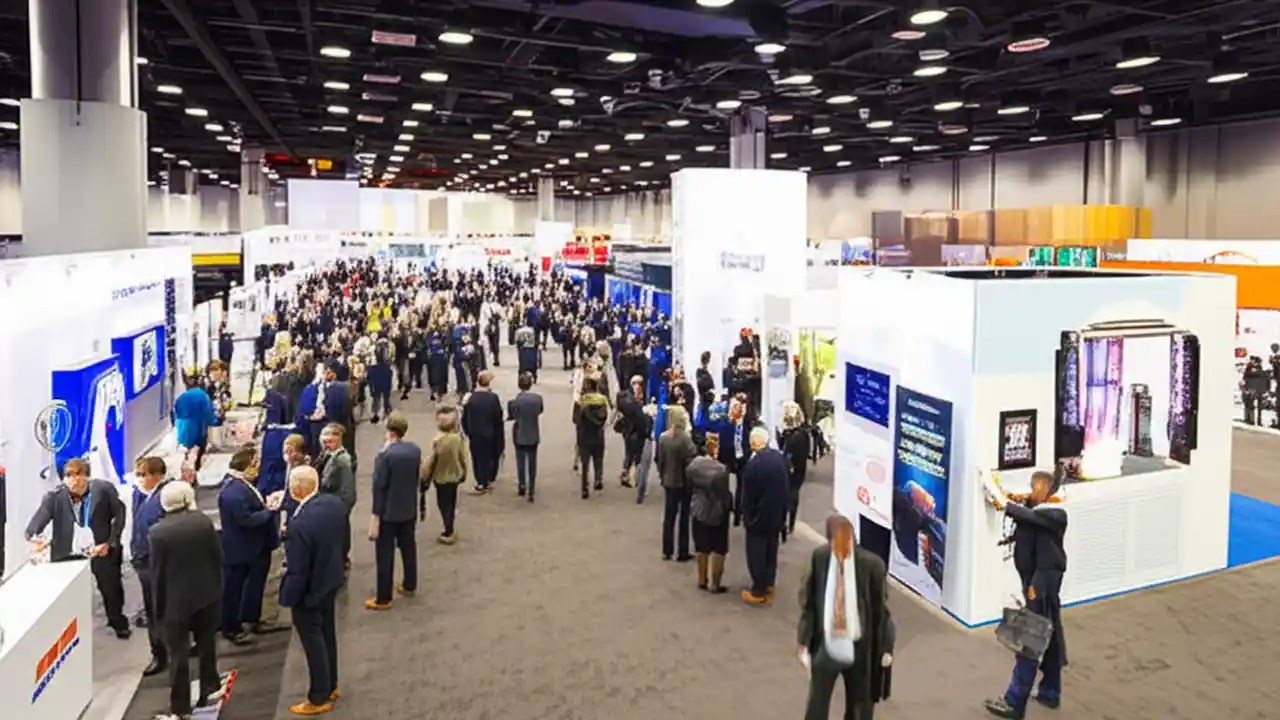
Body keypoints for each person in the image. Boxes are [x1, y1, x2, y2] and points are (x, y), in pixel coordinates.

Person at [983, 470, 1069, 719]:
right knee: (1050, 635)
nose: (1031, 491)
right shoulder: (1039, 508)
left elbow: (1028, 516)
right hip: (1040, 583)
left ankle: (1014, 701)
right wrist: (1008, 497)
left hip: (1041, 585)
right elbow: (1027, 511)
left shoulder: (1056, 512)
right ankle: (1050, 692)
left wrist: (1004, 502)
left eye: (1034, 487)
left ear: (1045, 487)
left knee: (1031, 639)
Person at [798, 514, 896, 720]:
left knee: (860, 706)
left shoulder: (872, 565)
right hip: (827, 644)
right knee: (817, 703)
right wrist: (804, 641)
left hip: (859, 646)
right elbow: (810, 603)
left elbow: (882, 611)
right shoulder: (820, 558)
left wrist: (886, 648)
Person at [25, 458, 131, 638]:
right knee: (68, 595)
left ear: (86, 477)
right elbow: (35, 526)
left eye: (78, 475)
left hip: (100, 548)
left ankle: (118, 622)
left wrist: (110, 542)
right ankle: (69, 630)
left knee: (110, 588)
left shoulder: (103, 490)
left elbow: (119, 516)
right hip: (69, 553)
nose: (74, 480)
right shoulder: (54, 498)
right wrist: (36, 539)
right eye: (69, 476)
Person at [149, 481, 225, 720]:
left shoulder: (158, 533)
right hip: (207, 596)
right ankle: (209, 686)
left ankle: (180, 707)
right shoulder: (203, 522)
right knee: (207, 645)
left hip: (175, 604)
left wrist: (157, 611)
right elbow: (217, 557)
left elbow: (157, 576)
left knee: (178, 656)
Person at [279, 465, 347, 716]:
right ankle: (331, 685)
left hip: (310, 591)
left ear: (295, 490)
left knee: (313, 642)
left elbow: (298, 570)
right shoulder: (334, 505)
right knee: (327, 634)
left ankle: (319, 695)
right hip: (330, 580)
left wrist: (288, 598)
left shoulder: (298, 526)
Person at [217, 446, 280, 645]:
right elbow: (246, 520)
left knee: (255, 586)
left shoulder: (243, 485)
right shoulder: (233, 492)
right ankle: (231, 627)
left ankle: (252, 618)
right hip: (242, 550)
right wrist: (270, 510)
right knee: (234, 590)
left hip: (255, 547)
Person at [367, 412, 423, 609]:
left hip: (388, 511)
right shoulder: (414, 450)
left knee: (385, 553)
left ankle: (384, 597)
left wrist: (376, 515)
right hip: (408, 508)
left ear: (389, 432)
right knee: (408, 547)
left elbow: (379, 487)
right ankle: (409, 583)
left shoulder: (385, 456)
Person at [131, 456, 172, 674]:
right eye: (138, 474)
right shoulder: (139, 495)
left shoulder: (164, 499)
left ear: (157, 476)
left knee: (160, 611)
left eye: (143, 475)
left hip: (157, 565)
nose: (139, 479)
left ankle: (163, 653)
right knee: (152, 609)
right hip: (143, 562)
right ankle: (159, 651)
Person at [740, 426, 789, 606]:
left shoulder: (753, 465)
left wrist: (748, 517)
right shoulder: (778, 458)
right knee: (771, 550)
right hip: (776, 516)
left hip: (758, 519)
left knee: (756, 553)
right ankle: (769, 583)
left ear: (753, 443)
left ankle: (758, 590)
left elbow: (748, 496)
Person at [688, 434, 733, 593]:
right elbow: (724, 494)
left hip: (699, 508)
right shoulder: (721, 469)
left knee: (702, 546)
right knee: (719, 548)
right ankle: (715, 583)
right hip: (717, 512)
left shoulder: (694, 466)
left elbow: (689, 484)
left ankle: (702, 579)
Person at [656, 405, 696, 562]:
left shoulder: (663, 438)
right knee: (684, 517)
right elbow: (691, 459)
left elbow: (660, 460)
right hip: (683, 482)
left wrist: (662, 475)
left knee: (669, 517)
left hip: (668, 481)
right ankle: (682, 551)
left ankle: (667, 549)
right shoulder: (685, 439)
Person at [423, 407, 468, 542]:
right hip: (454, 475)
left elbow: (433, 460)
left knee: (443, 503)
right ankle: (450, 526)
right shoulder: (457, 439)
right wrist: (464, 471)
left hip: (440, 476)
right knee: (451, 502)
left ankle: (448, 529)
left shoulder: (438, 440)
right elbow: (462, 458)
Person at [316, 423, 356, 565]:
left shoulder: (342, 461)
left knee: (340, 535)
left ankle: (341, 560)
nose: (326, 445)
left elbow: (348, 488)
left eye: (330, 442)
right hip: (332, 504)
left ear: (339, 439)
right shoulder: (328, 456)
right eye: (324, 442)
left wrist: (344, 508)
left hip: (338, 504)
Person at [463, 370, 505, 495]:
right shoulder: (493, 398)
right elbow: (498, 416)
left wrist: (468, 431)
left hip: (475, 433)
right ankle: (487, 479)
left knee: (477, 457)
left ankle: (480, 480)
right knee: (489, 456)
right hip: (489, 432)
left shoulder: (470, 398)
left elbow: (465, 417)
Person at [778, 402, 813, 542]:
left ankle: (784, 523)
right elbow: (806, 452)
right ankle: (790, 523)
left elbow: (784, 450)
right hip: (799, 468)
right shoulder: (804, 434)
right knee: (794, 494)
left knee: (785, 495)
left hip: (790, 468)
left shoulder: (789, 435)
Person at [506, 372, 544, 501]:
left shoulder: (514, 402)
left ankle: (522, 484)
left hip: (519, 432)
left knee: (520, 460)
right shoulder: (537, 399)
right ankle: (531, 488)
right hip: (533, 432)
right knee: (533, 461)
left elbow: (512, 416)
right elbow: (540, 411)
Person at [572, 376, 610, 499]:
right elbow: (604, 417)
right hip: (598, 434)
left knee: (585, 463)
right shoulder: (602, 401)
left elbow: (575, 419)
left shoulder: (581, 402)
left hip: (584, 436)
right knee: (598, 459)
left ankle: (584, 488)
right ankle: (598, 479)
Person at [175, 372, 218, 472]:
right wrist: (216, 421)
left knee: (187, 454)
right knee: (197, 454)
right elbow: (208, 415)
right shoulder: (203, 396)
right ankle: (195, 473)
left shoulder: (181, 397)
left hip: (182, 429)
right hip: (197, 429)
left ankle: (186, 472)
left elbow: (175, 413)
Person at [616, 375, 652, 492]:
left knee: (632, 454)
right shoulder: (628, 399)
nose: (638, 386)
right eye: (635, 384)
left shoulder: (641, 397)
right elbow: (635, 414)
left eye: (640, 384)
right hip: (632, 430)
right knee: (633, 454)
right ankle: (631, 477)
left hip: (634, 431)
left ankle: (628, 474)